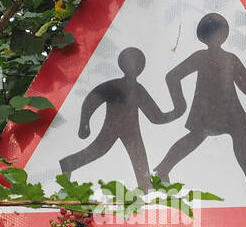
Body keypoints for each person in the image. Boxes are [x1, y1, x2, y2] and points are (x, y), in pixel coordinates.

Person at [154, 12, 246, 191]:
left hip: (228, 108)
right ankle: (162, 169)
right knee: (200, 138)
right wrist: (179, 105)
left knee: (236, 136)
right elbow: (172, 76)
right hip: (208, 108)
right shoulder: (205, 57)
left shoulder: (230, 59)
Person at [59, 46, 174, 191]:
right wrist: (84, 124)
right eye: (131, 63)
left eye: (137, 64)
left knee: (139, 159)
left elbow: (155, 116)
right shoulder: (115, 86)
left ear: (141, 68)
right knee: (98, 151)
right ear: (122, 64)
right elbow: (92, 100)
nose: (134, 67)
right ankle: (68, 164)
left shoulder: (138, 89)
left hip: (131, 130)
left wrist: (176, 113)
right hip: (113, 127)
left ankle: (146, 191)